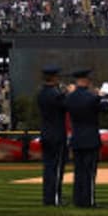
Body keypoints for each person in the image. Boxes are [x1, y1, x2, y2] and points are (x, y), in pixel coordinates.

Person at [64, 69, 107, 208]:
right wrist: (102, 95)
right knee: (89, 172)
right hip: (90, 137)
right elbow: (105, 108)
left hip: (76, 137)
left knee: (79, 171)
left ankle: (78, 199)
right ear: (86, 80)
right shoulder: (92, 97)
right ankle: (88, 200)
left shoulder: (69, 97)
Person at [36, 66, 69, 206]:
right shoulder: (56, 94)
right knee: (56, 168)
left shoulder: (42, 93)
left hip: (46, 132)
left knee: (48, 167)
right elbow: (66, 105)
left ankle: (48, 196)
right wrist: (67, 93)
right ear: (54, 78)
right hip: (57, 133)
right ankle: (54, 198)